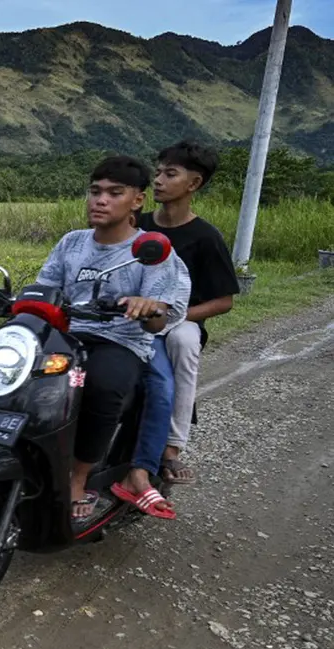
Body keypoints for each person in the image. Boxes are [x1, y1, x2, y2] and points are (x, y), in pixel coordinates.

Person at [0, 156, 182, 522]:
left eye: (115, 193)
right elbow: (45, 288)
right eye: (95, 191)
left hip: (118, 341)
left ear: (137, 201)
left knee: (102, 384)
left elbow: (158, 320)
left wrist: (149, 306)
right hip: (64, 335)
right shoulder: (72, 243)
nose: (101, 200)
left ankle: (77, 478)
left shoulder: (150, 251)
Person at [137, 140, 239, 483]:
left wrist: (177, 317)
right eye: (158, 172)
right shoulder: (137, 222)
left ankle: (172, 448)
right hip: (129, 313)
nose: (158, 180)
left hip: (181, 320)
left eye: (170, 173)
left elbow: (224, 300)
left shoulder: (205, 236)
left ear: (193, 184)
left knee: (182, 342)